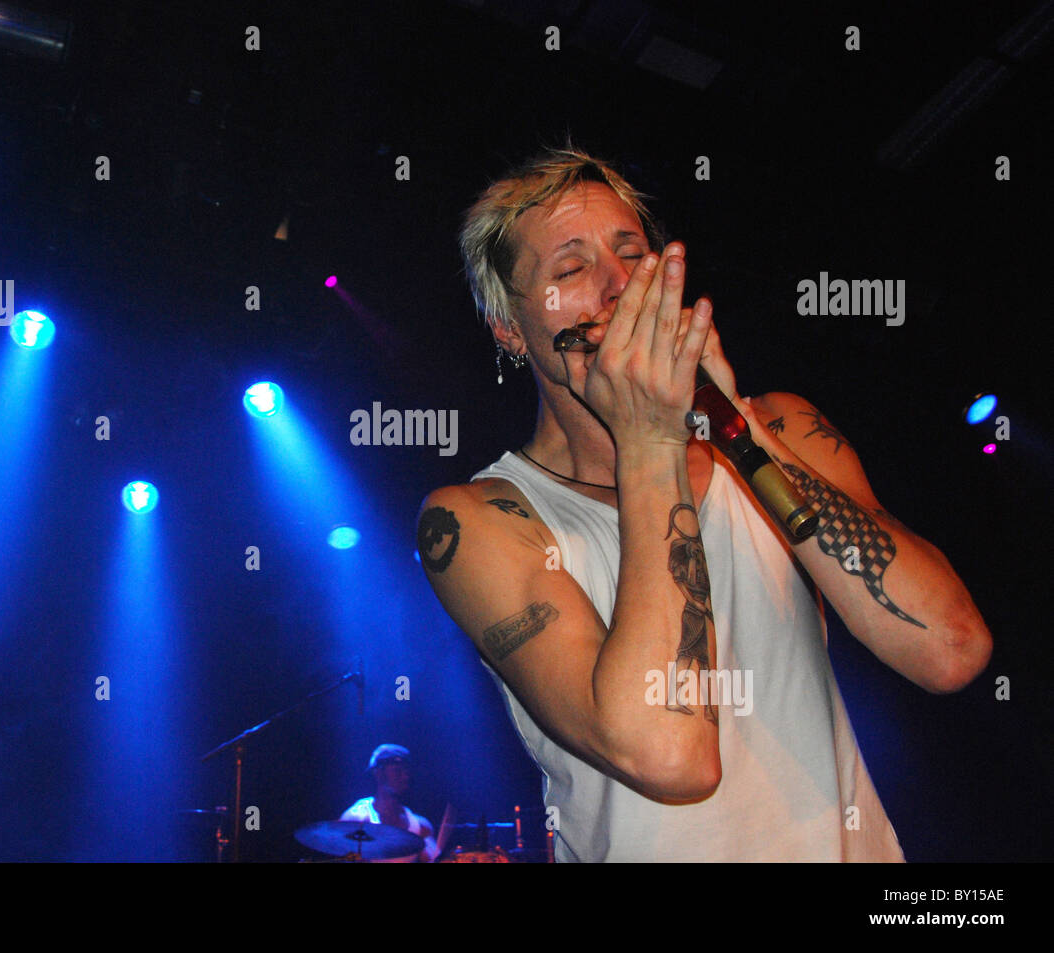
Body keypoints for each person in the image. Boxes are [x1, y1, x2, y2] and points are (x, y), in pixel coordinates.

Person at [416, 143, 992, 862]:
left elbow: (951, 649)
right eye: (571, 268)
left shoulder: (778, 425)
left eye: (633, 253)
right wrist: (651, 442)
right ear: (509, 327)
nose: (619, 284)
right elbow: (672, 754)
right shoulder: (479, 519)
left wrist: (735, 427)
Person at [340, 744, 451, 863]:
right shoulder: (356, 819)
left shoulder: (421, 826)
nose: (404, 777)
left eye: (407, 772)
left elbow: (431, 859)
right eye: (398, 771)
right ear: (378, 773)